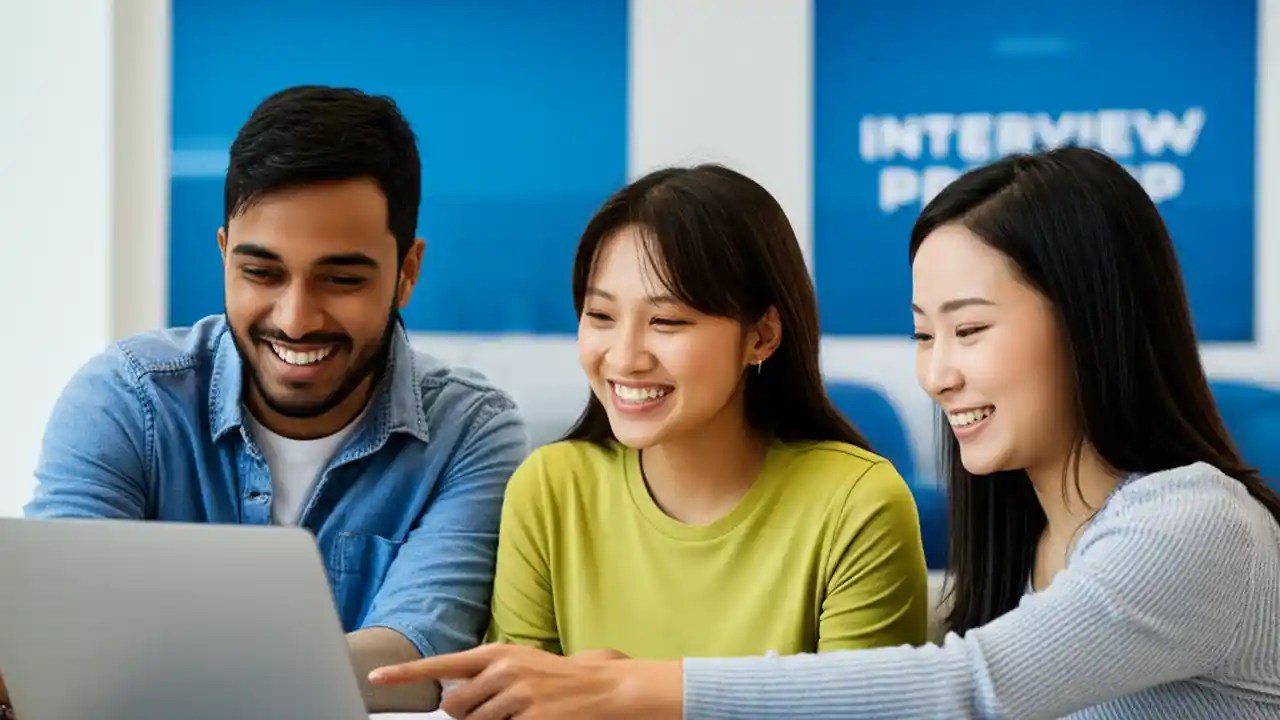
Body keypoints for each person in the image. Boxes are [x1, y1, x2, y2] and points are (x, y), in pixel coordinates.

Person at [366, 147, 1280, 719]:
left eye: (968, 330)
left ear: (1090, 321)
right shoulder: (1034, 541)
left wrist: (634, 687)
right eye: (924, 335)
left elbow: (972, 691)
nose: (936, 373)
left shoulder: (1192, 524)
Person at [1, 85, 528, 715]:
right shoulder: (126, 398)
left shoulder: (470, 432)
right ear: (225, 255)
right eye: (262, 272)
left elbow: (416, 664)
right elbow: (59, 630)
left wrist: (133, 667)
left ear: (407, 272)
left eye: (342, 279)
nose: (297, 319)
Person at [481, 165, 929, 661]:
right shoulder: (548, 492)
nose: (625, 356)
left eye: (666, 321)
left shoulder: (857, 506)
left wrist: (625, 696)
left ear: (761, 336)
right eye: (601, 316)